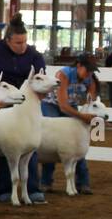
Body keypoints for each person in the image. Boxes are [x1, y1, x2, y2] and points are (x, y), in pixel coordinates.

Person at [0, 18, 47, 204]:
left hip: (27, 104)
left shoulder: (34, 55)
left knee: (30, 145)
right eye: (18, 43)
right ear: (7, 40)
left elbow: (41, 79)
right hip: (1, 102)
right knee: (6, 146)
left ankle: (32, 188)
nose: (22, 46)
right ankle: (4, 190)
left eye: (25, 42)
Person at [40, 55, 99, 196]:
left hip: (70, 107)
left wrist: (90, 113)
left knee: (76, 143)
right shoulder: (63, 75)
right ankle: (46, 182)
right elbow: (63, 105)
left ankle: (83, 183)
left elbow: (92, 102)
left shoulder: (89, 79)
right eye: (87, 70)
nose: (89, 74)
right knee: (51, 141)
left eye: (91, 71)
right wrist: (82, 116)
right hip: (52, 105)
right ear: (79, 66)